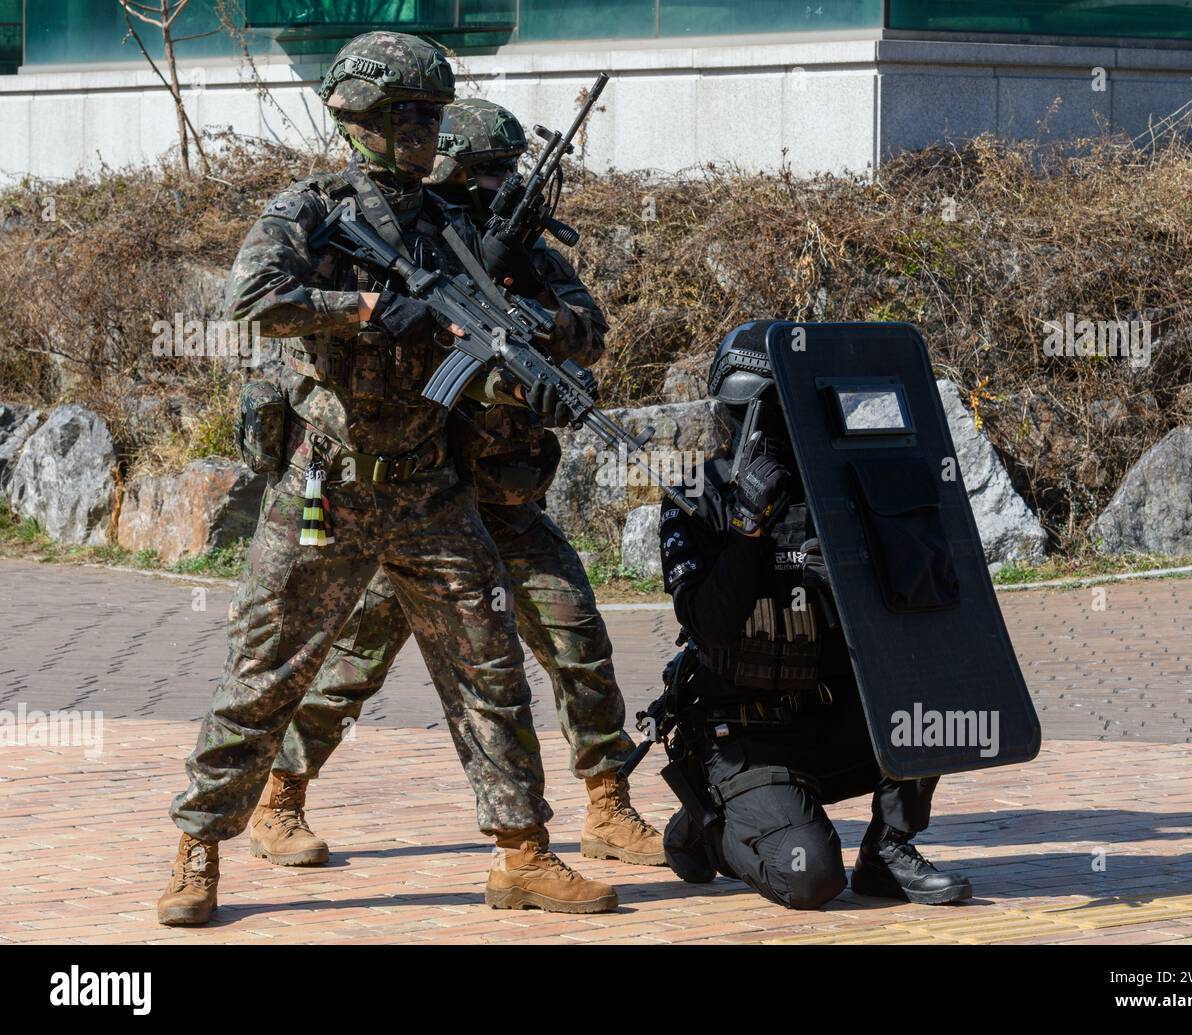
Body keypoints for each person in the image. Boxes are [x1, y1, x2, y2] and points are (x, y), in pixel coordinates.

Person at [158, 32, 618, 926]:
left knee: (489, 666)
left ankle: (523, 853)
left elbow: (545, 326)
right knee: (265, 670)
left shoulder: (453, 225)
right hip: (324, 489)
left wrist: (522, 340)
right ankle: (199, 847)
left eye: (431, 117)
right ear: (359, 118)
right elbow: (250, 300)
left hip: (430, 491)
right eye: (407, 116)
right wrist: (366, 307)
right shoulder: (314, 207)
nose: (421, 133)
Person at [253, 97, 663, 874]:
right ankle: (280, 797)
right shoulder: (411, 245)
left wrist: (535, 333)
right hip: (420, 505)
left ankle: (608, 803)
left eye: (506, 173)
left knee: (578, 639)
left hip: (504, 501)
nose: (496, 187)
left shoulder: (530, 256)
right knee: (351, 663)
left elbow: (591, 329)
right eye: (481, 173)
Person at [656, 325, 973, 910]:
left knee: (936, 708)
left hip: (833, 719)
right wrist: (749, 534)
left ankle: (889, 851)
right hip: (749, 732)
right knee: (810, 877)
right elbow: (709, 624)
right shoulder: (696, 496)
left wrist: (867, 567)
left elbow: (928, 613)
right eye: (769, 415)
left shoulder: (844, 494)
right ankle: (709, 828)